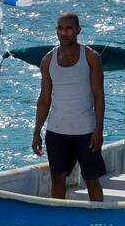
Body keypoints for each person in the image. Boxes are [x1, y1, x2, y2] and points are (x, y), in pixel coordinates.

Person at [32, 13, 106, 201]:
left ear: (78, 30)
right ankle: (58, 216)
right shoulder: (48, 60)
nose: (64, 33)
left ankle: (98, 217)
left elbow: (99, 95)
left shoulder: (91, 57)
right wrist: (37, 131)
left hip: (86, 131)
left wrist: (98, 129)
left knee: (91, 179)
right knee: (57, 179)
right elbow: (44, 98)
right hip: (57, 130)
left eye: (69, 28)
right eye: (60, 28)